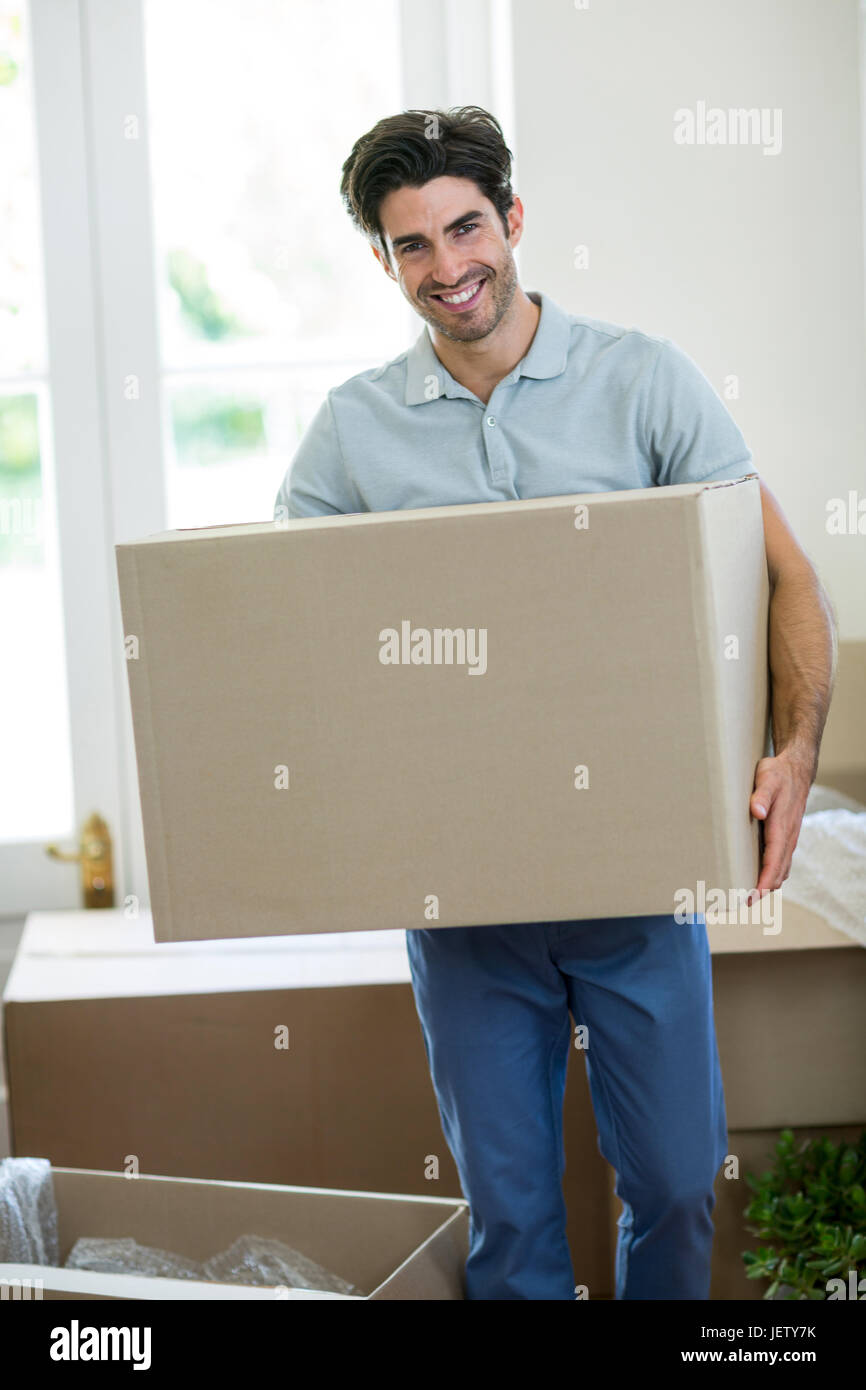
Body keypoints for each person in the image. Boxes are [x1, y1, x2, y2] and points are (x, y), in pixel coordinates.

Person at [273, 106, 837, 1300]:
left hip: (636, 875)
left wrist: (793, 751)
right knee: (513, 1221)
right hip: (460, 891)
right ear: (381, 261)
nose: (448, 265)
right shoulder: (352, 436)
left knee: (679, 1186)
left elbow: (784, 569)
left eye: (465, 226)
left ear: (512, 219)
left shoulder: (641, 381)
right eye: (411, 244)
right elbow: (291, 641)